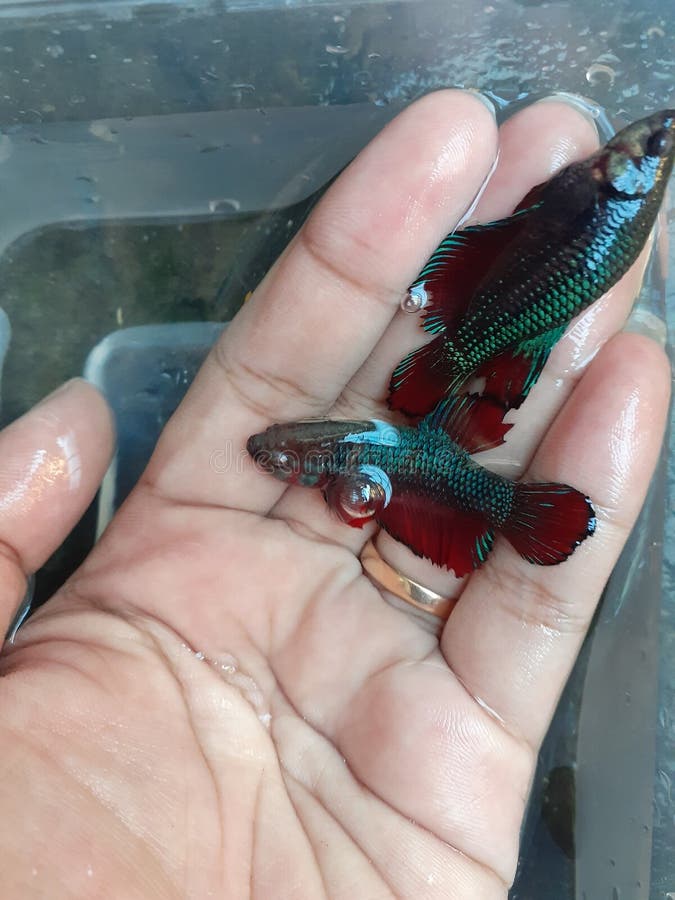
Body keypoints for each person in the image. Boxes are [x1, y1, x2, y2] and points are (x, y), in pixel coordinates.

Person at [0, 90, 669, 899]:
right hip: (429, 428)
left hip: (431, 425)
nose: (276, 462)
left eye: (284, 459)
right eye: (283, 460)